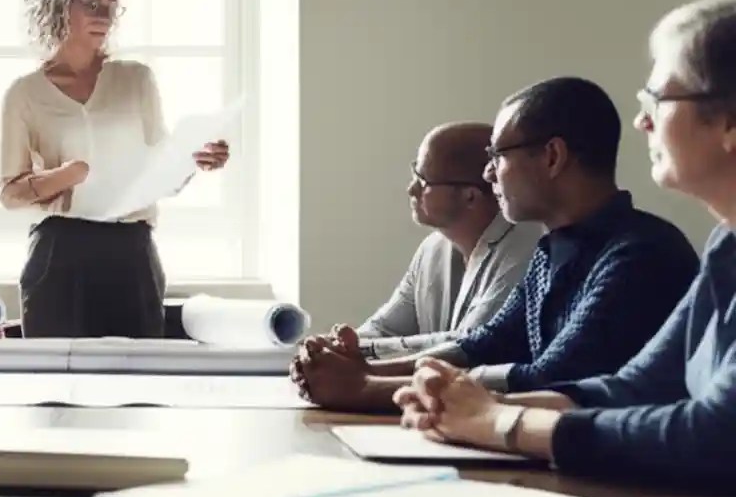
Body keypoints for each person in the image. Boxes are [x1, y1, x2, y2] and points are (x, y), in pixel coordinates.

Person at [395, 0, 736, 486]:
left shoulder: (644, 251)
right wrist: (470, 407)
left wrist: (502, 423)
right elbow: (635, 387)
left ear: (728, 121)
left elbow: (716, 434)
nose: (642, 121)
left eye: (657, 100)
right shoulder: (725, 248)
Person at [293, 76, 699, 410]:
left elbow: (552, 381)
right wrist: (363, 368)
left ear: (552, 157)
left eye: (498, 155)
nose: (488, 174)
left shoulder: (640, 254)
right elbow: (484, 346)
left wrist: (364, 388)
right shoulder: (551, 250)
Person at [0, 0, 230, 338]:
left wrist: (193, 159)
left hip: (131, 252)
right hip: (58, 252)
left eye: (112, 6)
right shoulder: (24, 94)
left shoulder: (136, 80)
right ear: (57, 4)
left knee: (138, 387)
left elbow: (161, 169)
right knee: (54, 390)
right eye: (91, 4)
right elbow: (9, 192)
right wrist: (67, 175)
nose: (104, 17)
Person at [344, 121, 542, 359]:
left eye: (423, 181)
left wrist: (361, 350)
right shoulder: (433, 248)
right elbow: (385, 328)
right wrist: (336, 346)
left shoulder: (529, 247)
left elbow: (473, 343)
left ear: (470, 196)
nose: (411, 189)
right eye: (414, 173)